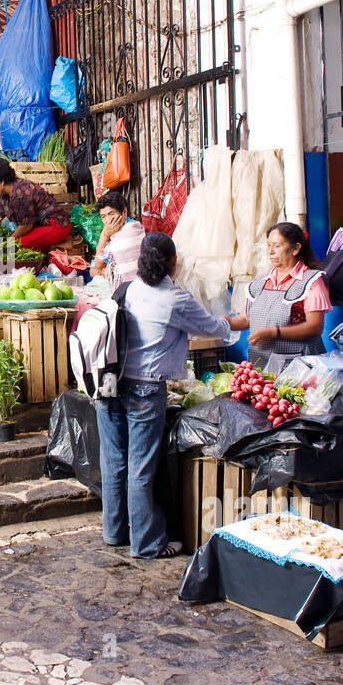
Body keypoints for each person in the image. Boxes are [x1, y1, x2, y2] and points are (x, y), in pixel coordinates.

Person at [95, 232, 230, 560]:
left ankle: (114, 533)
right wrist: (234, 323)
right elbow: (213, 328)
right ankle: (147, 543)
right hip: (144, 388)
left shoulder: (127, 288)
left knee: (114, 462)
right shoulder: (175, 298)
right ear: (173, 263)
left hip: (109, 383)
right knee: (140, 467)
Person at [225, 221, 331, 367]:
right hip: (261, 363)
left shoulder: (312, 281)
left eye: (277, 246)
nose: (271, 251)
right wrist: (227, 323)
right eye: (269, 245)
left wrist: (274, 333)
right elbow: (245, 319)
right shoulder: (260, 282)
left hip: (300, 367)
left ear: (295, 249)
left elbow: (315, 327)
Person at [0, 157, 71, 252]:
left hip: (56, 226)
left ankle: (58, 244)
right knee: (13, 243)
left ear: (1, 182)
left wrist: (8, 241)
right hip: (41, 226)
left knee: (14, 246)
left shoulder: (21, 193)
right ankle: (52, 244)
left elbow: (26, 226)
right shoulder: (5, 194)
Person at [91, 190, 145, 289]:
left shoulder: (131, 230)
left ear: (124, 212)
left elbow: (99, 265)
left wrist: (104, 235)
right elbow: (95, 268)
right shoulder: (112, 232)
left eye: (111, 214)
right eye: (103, 217)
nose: (108, 220)